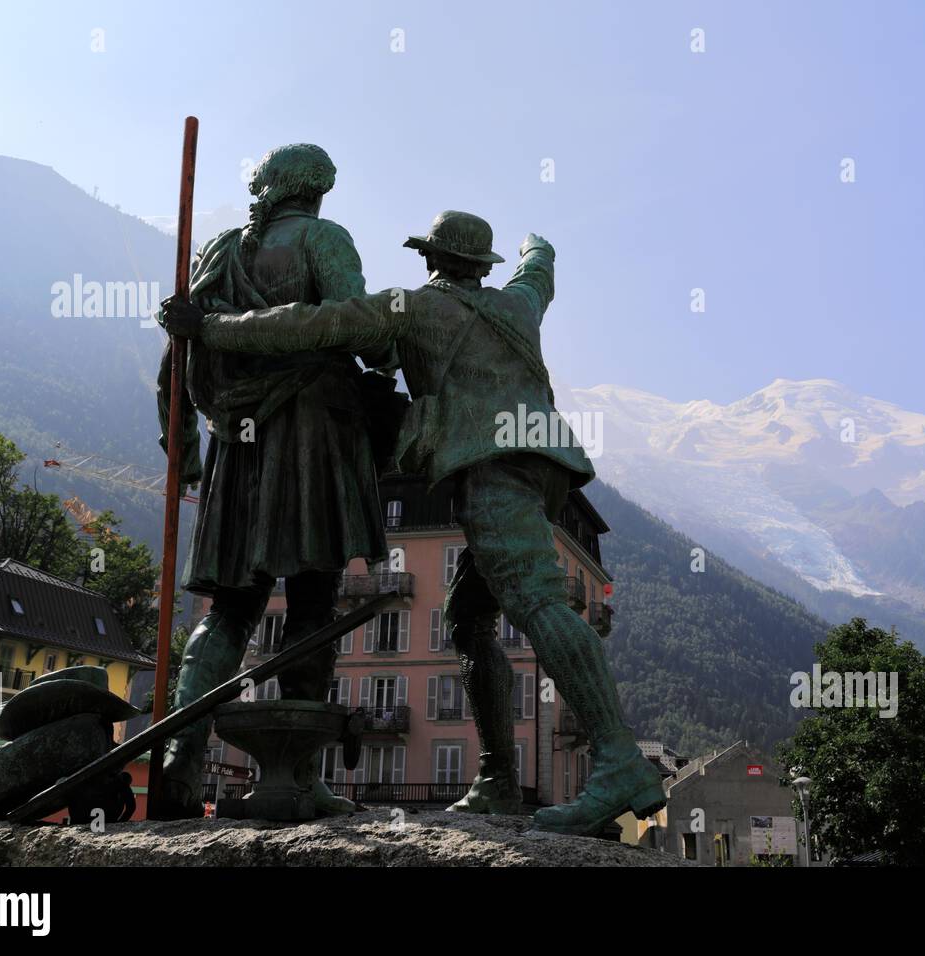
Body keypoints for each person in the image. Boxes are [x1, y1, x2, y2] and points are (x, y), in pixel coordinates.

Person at [161, 210, 666, 836]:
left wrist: (211, 327)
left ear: (431, 260)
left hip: (492, 462)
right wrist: (537, 243)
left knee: (538, 604)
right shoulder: (517, 305)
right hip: (548, 463)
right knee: (468, 616)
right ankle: (499, 779)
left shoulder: (413, 307)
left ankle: (618, 760)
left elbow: (313, 324)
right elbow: (541, 271)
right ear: (483, 267)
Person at [155, 144, 393, 818]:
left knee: (231, 606)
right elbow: (357, 323)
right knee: (311, 600)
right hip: (312, 429)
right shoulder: (324, 239)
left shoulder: (222, 250)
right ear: (315, 192)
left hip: (237, 440)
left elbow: (179, 348)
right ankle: (297, 778)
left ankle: (178, 759)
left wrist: (181, 445)